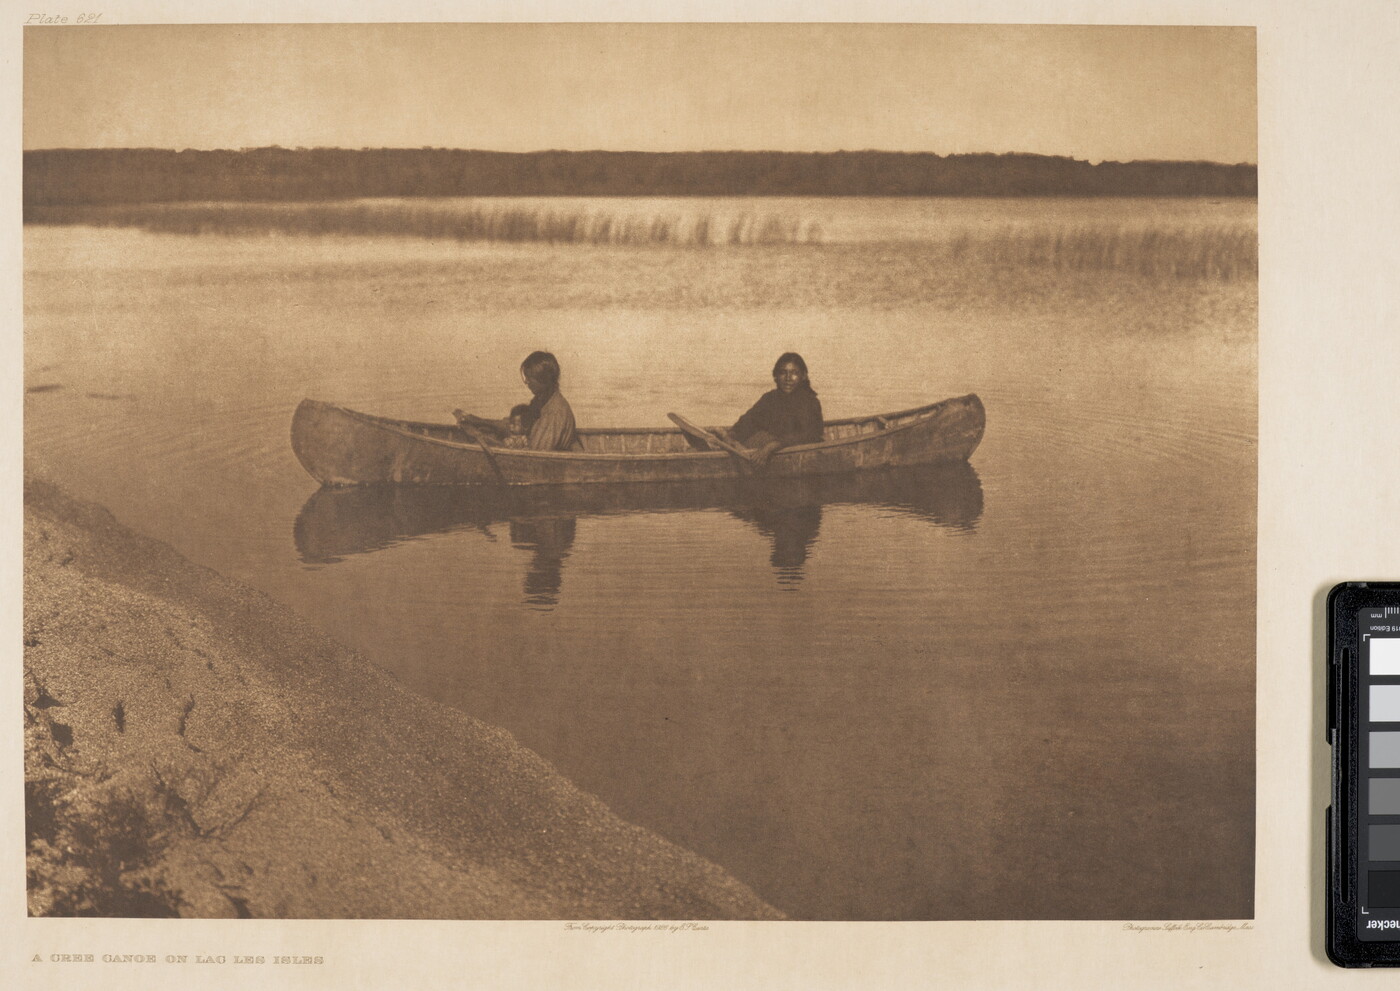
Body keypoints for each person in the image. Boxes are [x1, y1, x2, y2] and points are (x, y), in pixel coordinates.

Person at [454, 351, 582, 452]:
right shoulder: (541, 400)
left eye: (530, 378)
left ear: (543, 380)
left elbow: (535, 456)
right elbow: (513, 425)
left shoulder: (554, 412)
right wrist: (476, 420)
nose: (526, 381)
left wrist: (488, 440)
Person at [717, 352, 824, 466]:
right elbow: (748, 421)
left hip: (799, 457)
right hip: (766, 447)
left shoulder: (810, 402)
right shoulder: (769, 399)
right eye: (783, 373)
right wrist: (731, 436)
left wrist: (771, 447)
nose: (788, 378)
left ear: (803, 376)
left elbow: (810, 434)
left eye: (794, 373)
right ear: (775, 377)